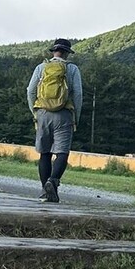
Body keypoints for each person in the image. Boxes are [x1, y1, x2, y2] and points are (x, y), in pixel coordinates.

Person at [26, 38, 82, 202]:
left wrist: (35, 112)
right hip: (64, 114)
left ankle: (46, 191)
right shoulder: (71, 68)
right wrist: (75, 116)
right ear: (67, 53)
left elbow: (30, 91)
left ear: (54, 51)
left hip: (43, 113)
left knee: (45, 153)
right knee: (62, 152)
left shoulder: (41, 67)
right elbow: (78, 94)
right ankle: (52, 181)